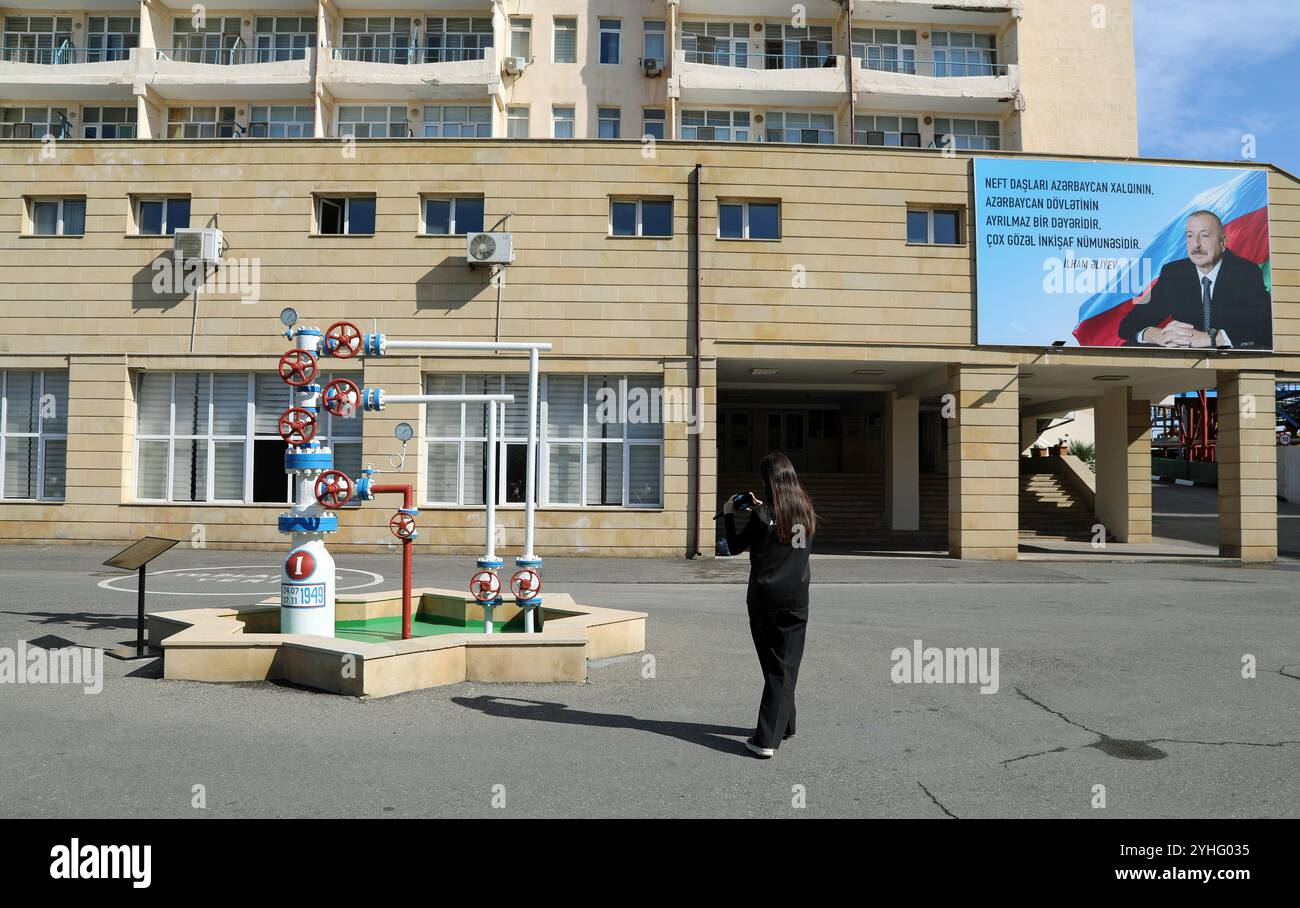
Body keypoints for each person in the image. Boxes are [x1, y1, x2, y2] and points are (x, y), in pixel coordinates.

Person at [721, 452, 817, 759]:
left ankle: (765, 740)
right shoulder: (805, 511)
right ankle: (785, 724)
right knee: (784, 665)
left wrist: (727, 514)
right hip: (796, 600)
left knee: (774, 666)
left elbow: (731, 548)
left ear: (767, 481)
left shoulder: (761, 517)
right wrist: (765, 513)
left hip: (764, 600)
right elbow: (787, 533)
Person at [1117, 210, 1272, 349]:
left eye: (1204, 235)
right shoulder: (1174, 274)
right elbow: (1129, 325)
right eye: (1190, 236)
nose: (1196, 244)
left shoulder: (1245, 272)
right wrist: (1155, 334)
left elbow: (1266, 326)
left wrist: (1212, 339)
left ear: (1223, 243)